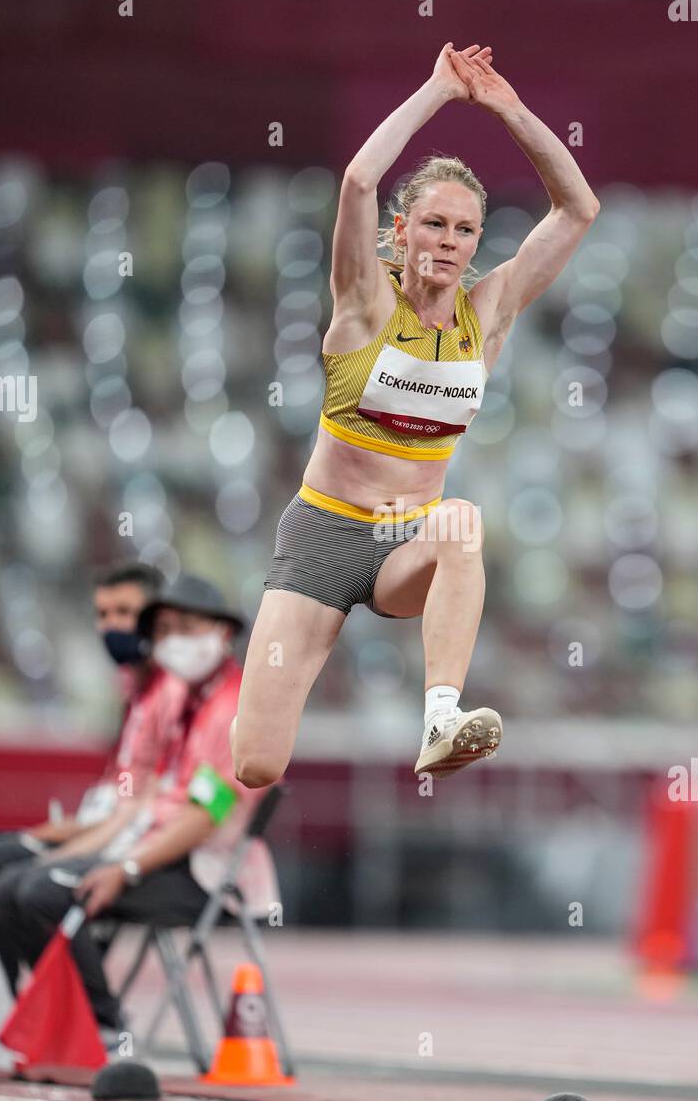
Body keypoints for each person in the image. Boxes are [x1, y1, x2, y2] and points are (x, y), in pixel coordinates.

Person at [232, 42, 599, 786]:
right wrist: (436, 91)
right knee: (256, 765)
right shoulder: (366, 304)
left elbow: (578, 208)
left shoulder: (488, 312)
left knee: (461, 524)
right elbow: (361, 179)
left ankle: (441, 718)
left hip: (407, 538)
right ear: (401, 232)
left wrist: (508, 111)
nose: (449, 243)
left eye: (464, 231)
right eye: (434, 224)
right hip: (323, 536)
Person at [0, 575, 279, 1035]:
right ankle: (45, 1024)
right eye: (163, 631)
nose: (170, 641)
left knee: (42, 892)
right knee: (13, 886)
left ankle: (103, 1029)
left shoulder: (233, 710)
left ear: (222, 633)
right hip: (155, 852)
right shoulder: (180, 702)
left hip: (203, 875)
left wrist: (123, 868)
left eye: (185, 626)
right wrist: (64, 853)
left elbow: (202, 820)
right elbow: (136, 805)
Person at [0, 561, 185, 879]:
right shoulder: (131, 687)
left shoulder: (173, 696)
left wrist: (72, 839)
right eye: (102, 614)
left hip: (128, 846)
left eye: (124, 612)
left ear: (156, 619)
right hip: (102, 829)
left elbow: (146, 807)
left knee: (17, 881)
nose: (110, 625)